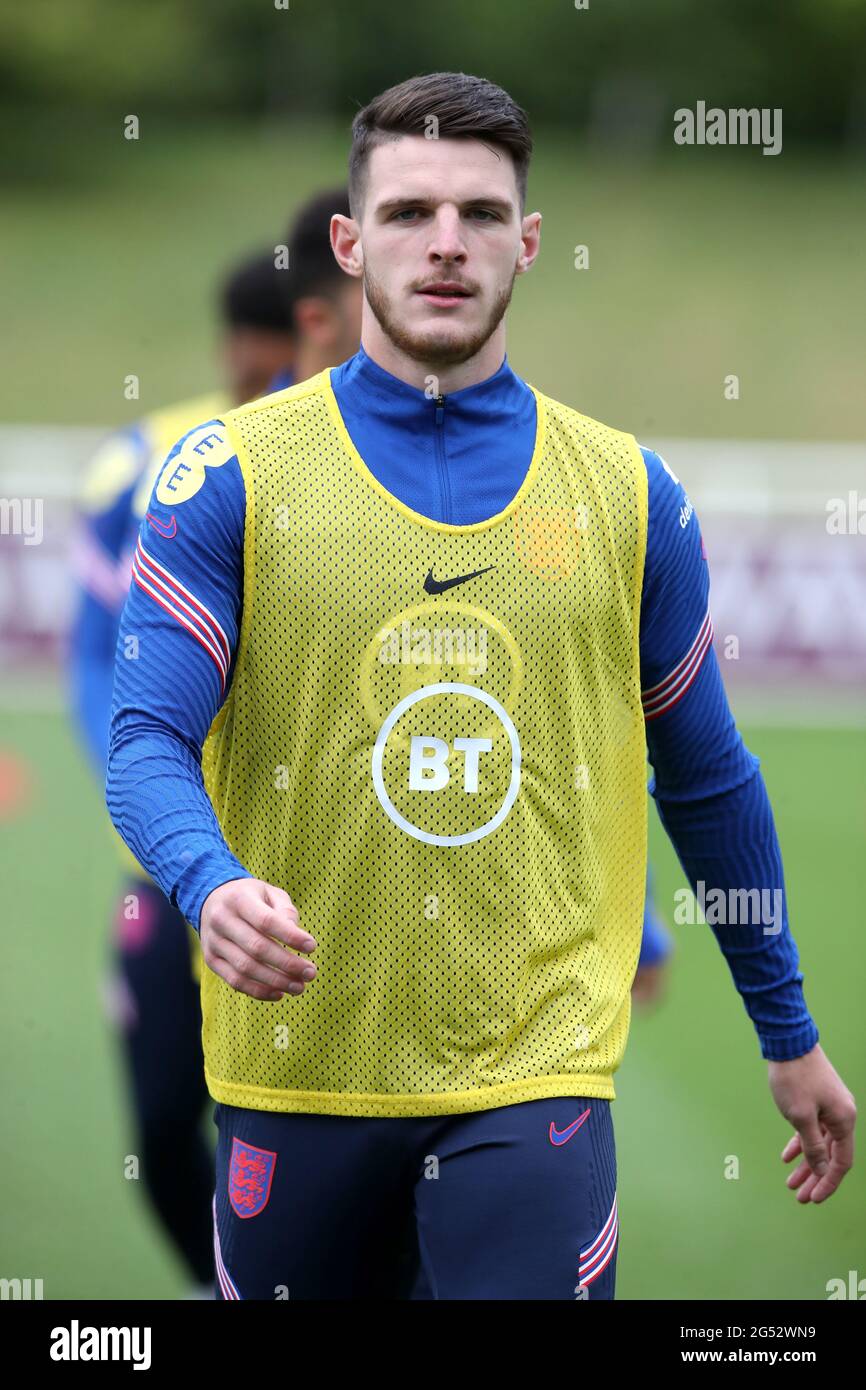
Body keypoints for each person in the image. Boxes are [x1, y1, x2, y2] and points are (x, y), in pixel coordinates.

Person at [106, 72, 854, 1301]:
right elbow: (145, 736)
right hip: (294, 1068)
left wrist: (787, 1033)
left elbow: (707, 777)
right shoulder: (228, 474)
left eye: (479, 213)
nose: (445, 243)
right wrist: (210, 879)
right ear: (350, 242)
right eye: (407, 213)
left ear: (528, 240)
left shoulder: (628, 495)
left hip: (533, 1076)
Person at [69, 248, 295, 1294]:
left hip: (308, 864)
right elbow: (90, 658)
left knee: (312, 1139)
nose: (263, 370)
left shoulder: (353, 468)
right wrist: (136, 778)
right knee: (164, 1120)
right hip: (166, 867)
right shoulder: (146, 462)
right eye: (252, 350)